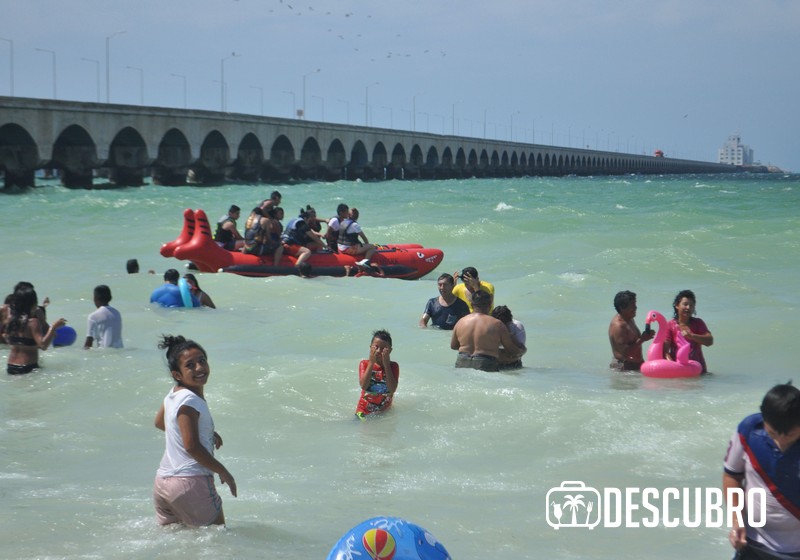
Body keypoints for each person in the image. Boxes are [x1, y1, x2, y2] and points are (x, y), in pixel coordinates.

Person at [153, 335, 237, 527]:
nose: (199, 368)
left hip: (163, 483)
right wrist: (224, 472)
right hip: (190, 483)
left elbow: (160, 422)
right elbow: (191, 446)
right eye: (190, 365)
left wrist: (202, 432)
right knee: (217, 543)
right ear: (177, 374)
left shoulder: (173, 393)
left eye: (202, 361)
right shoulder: (190, 401)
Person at [723, 383, 800, 559]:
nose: (781, 440)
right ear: (764, 419)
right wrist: (737, 520)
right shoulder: (749, 430)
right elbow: (732, 476)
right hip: (753, 544)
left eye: (790, 434)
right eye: (773, 433)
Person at [450, 290, 522, 372]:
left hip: (462, 362)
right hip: (485, 363)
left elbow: (453, 346)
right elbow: (511, 351)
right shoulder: (497, 324)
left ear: (471, 304)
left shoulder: (460, 322)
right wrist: (522, 349)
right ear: (490, 304)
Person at [3, 286, 66, 374]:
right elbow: (43, 345)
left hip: (10, 366)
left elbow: (6, 337)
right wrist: (54, 327)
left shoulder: (11, 320)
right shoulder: (32, 322)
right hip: (27, 367)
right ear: (32, 303)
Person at [664, 289, 713, 373]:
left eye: (691, 305)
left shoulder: (698, 323)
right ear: (677, 305)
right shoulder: (670, 325)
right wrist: (673, 366)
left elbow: (709, 341)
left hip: (698, 371)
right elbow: (665, 351)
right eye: (685, 304)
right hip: (678, 371)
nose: (688, 308)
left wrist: (692, 336)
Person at [355, 330, 399, 419]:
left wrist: (386, 364)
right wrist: (371, 363)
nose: (379, 351)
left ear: (390, 350)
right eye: (376, 347)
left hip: (385, 411)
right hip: (364, 411)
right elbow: (364, 386)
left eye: (383, 348)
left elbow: (392, 389)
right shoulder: (365, 364)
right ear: (370, 347)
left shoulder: (393, 366)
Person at [608, 290, 654, 371]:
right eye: (632, 305)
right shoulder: (619, 326)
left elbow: (634, 340)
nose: (636, 307)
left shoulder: (629, 318)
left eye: (635, 304)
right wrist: (642, 339)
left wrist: (646, 335)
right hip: (623, 369)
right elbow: (625, 353)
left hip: (634, 366)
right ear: (622, 308)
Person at [281, 206, 325, 272]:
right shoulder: (302, 224)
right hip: (289, 246)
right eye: (308, 220)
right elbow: (315, 238)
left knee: (314, 245)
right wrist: (326, 246)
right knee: (307, 251)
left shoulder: (294, 220)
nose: (308, 222)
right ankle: (297, 267)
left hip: (284, 243)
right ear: (305, 218)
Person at [84, 284, 123, 349]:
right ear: (110, 298)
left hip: (104, 354)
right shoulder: (117, 313)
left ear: (95, 298)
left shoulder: (93, 316)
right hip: (119, 352)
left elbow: (88, 343)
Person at [491, 305, 527, 369]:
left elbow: (520, 352)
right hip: (495, 363)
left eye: (505, 325)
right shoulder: (490, 326)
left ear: (510, 321)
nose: (502, 328)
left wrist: (508, 335)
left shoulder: (517, 326)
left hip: (513, 364)